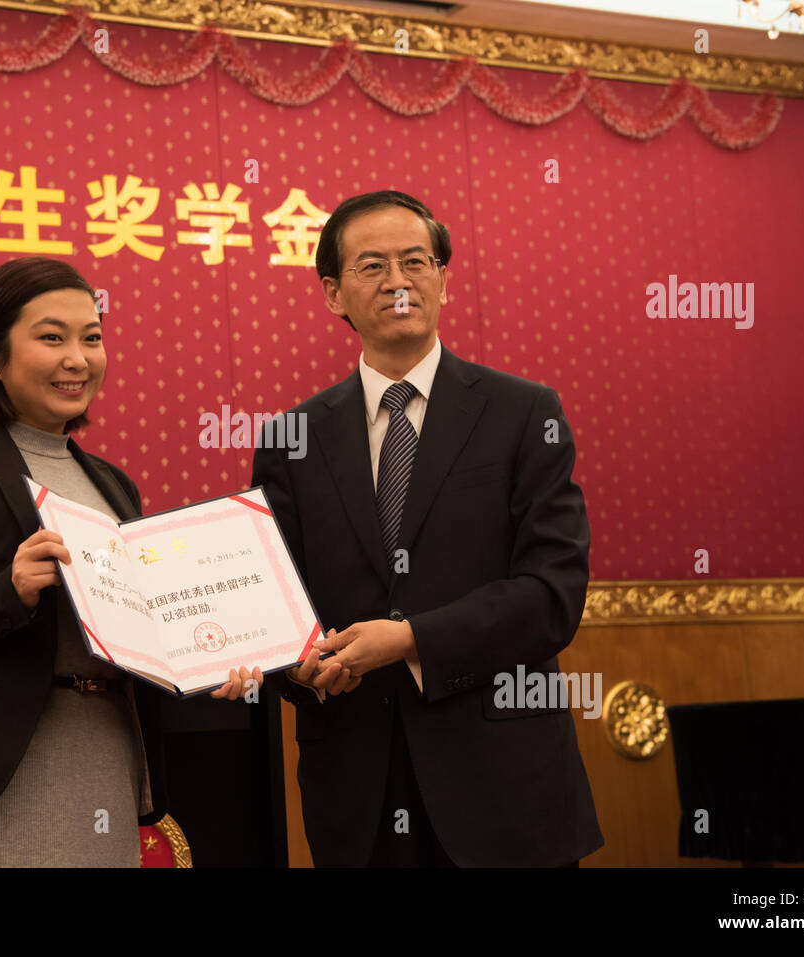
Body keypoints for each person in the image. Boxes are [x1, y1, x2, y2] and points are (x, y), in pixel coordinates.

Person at [0, 256, 260, 866]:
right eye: (52, 338)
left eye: (92, 338)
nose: (79, 358)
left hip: (104, 757)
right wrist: (7, 592)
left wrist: (212, 661)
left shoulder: (114, 485)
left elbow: (135, 638)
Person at [252, 190, 603, 867]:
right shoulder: (291, 438)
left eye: (416, 261)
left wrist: (409, 639)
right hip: (358, 795)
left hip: (504, 788)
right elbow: (278, 605)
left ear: (443, 277)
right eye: (373, 266)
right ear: (333, 293)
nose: (398, 281)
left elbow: (552, 592)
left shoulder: (524, 413)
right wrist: (296, 668)